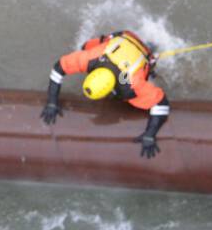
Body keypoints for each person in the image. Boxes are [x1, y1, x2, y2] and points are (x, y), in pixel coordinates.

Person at [40, 30, 170, 158]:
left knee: (146, 74)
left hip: (141, 51)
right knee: (85, 46)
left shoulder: (130, 85)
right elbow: (59, 68)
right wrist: (52, 102)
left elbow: (161, 102)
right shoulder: (90, 58)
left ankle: (151, 50)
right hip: (122, 37)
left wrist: (150, 134)